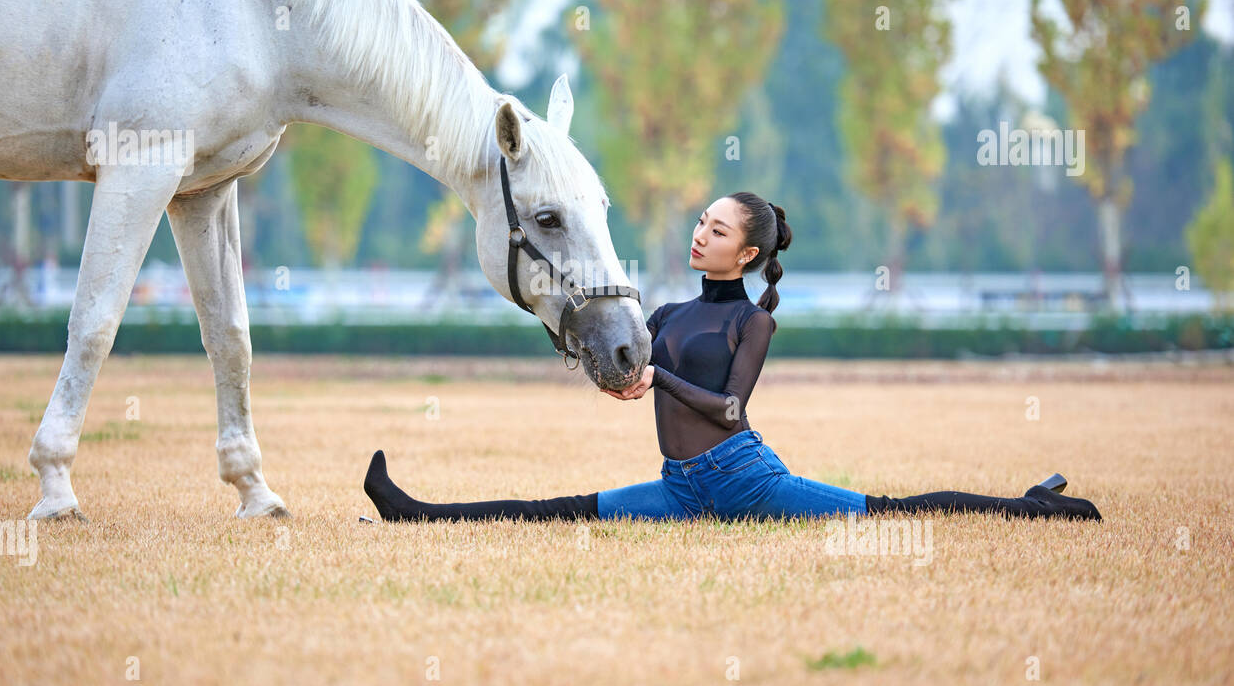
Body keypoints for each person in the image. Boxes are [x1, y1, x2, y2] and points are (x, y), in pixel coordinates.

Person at [361, 193, 1102, 524]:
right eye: (700, 222)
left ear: (746, 252)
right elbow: (628, 366)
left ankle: (1033, 507)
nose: (699, 234)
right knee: (552, 511)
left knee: (891, 511)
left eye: (715, 230)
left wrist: (660, 378)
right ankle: (413, 512)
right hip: (680, 488)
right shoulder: (666, 313)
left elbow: (731, 410)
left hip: (747, 482)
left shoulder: (754, 322)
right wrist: (615, 374)